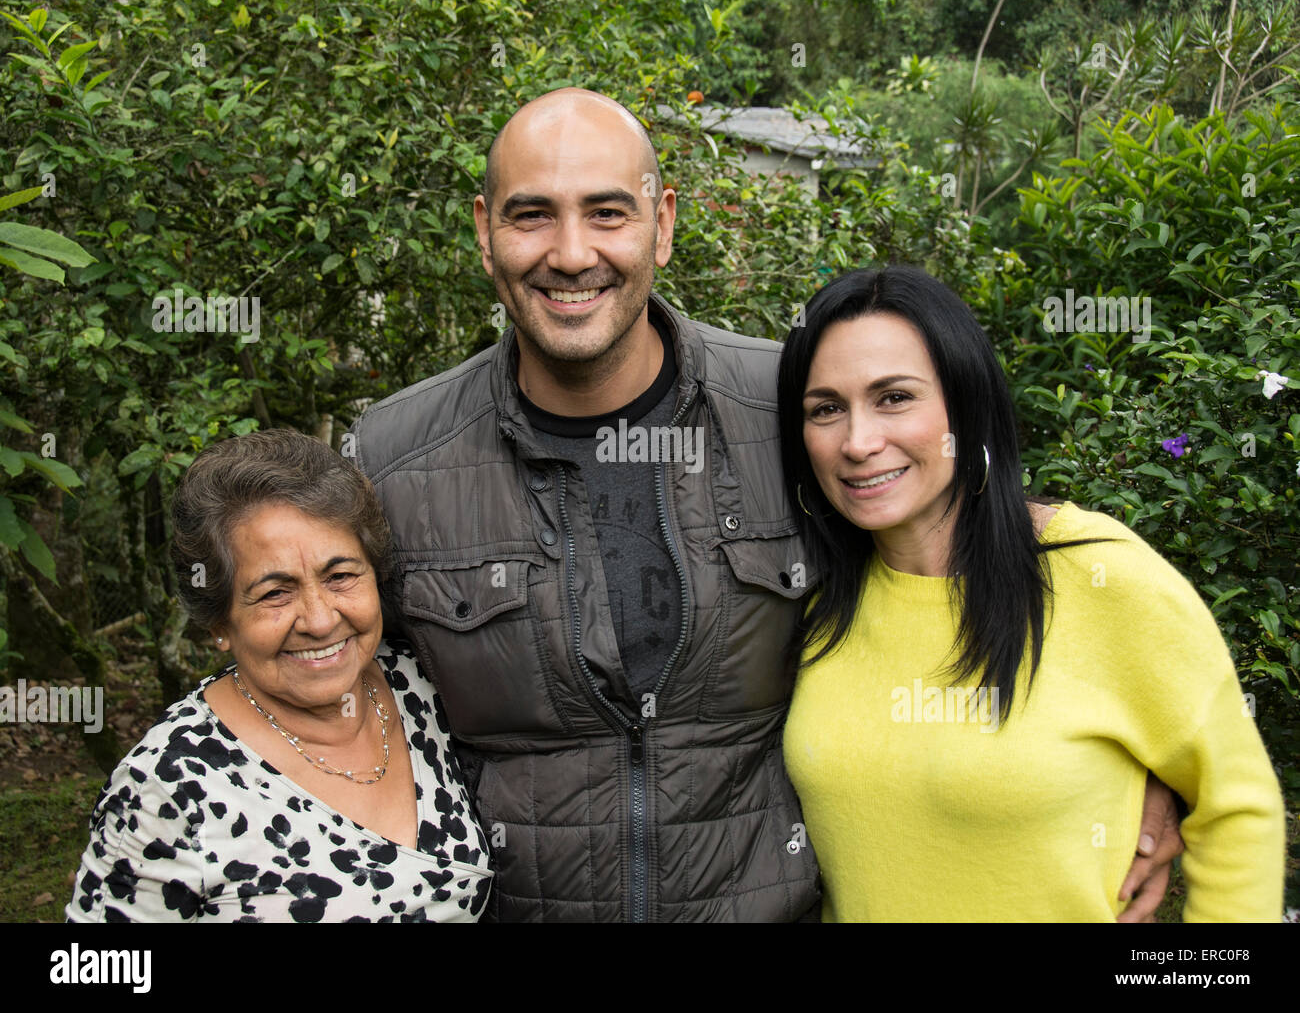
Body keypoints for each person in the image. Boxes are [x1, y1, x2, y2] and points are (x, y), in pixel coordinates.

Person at [350, 87, 1184, 922]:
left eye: (608, 212)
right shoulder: (395, 458)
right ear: (484, 232)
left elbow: (959, 552)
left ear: (663, 224)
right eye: (532, 215)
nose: (571, 253)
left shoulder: (792, 408)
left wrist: (1132, 763)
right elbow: (327, 690)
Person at [777, 265, 1286, 921]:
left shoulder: (1095, 573)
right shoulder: (816, 599)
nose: (859, 442)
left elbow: (1238, 805)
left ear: (966, 404)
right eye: (826, 409)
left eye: (895, 397)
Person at [67, 429, 492, 922]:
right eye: (275, 593)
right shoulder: (167, 788)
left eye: (340, 577)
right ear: (218, 622)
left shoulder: (416, 683)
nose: (319, 619)